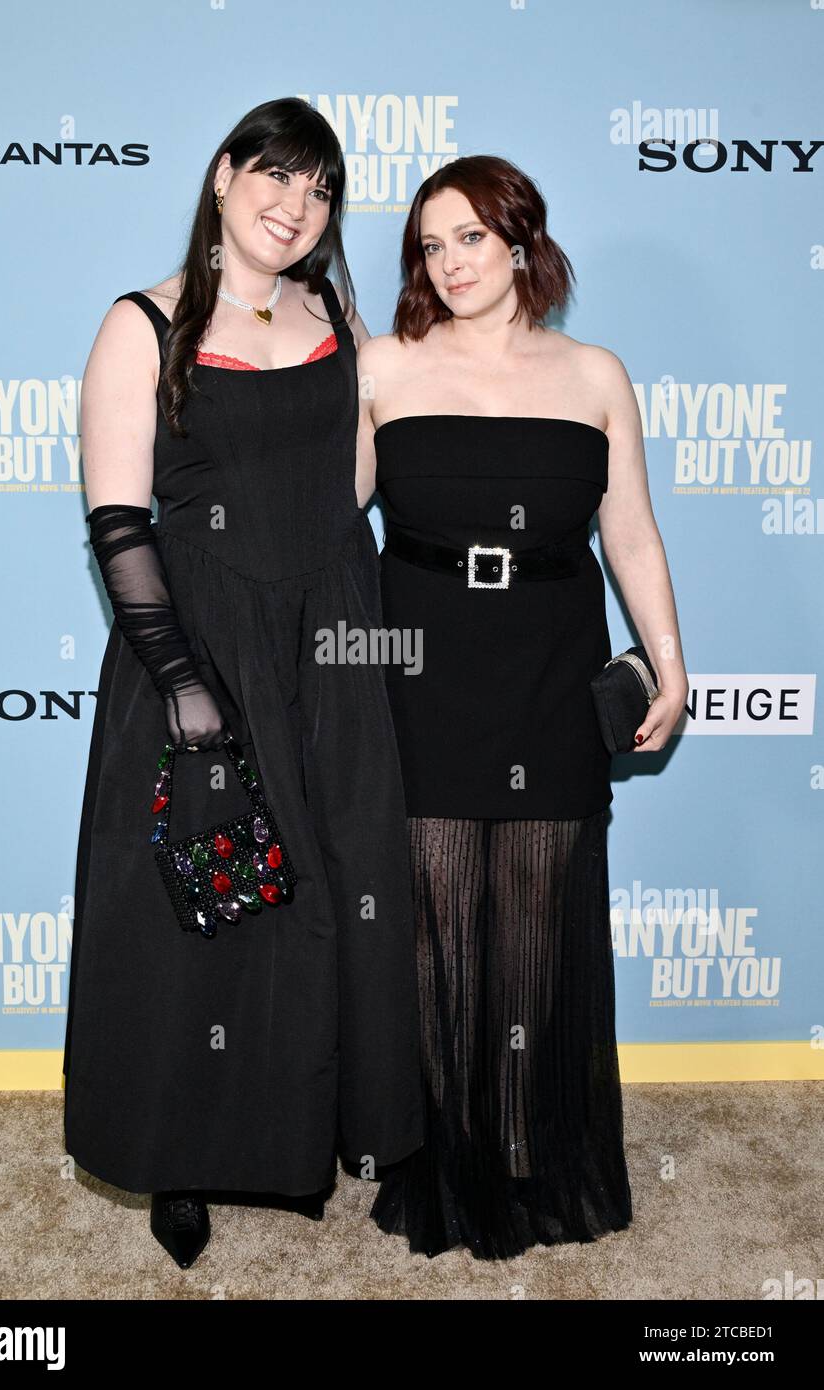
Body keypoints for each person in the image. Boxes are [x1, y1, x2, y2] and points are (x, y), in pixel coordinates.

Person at [62, 97, 423, 1269]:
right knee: (200, 903)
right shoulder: (145, 322)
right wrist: (181, 679)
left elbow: (350, 479)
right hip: (200, 647)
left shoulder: (334, 314)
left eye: (319, 189)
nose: (294, 204)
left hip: (329, 640)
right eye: (274, 174)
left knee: (331, 881)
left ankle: (311, 1128)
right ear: (222, 177)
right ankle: (181, 1155)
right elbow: (119, 517)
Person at [357, 155, 688, 1259]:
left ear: (518, 239)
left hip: (550, 657)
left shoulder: (595, 372)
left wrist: (669, 661)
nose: (447, 261)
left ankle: (526, 1149)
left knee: (539, 918)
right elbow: (314, 520)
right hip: (424, 666)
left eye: (468, 237)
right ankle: (449, 1160)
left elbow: (628, 530)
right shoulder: (382, 367)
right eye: (428, 244)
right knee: (440, 916)